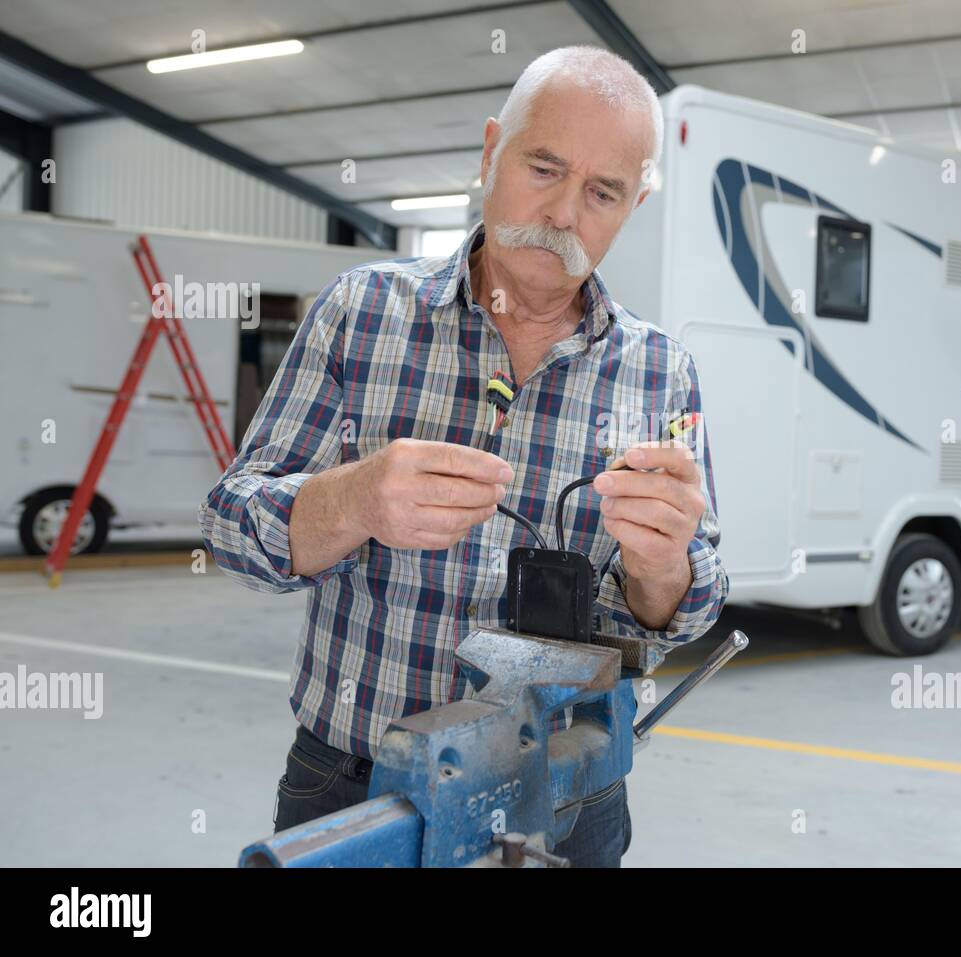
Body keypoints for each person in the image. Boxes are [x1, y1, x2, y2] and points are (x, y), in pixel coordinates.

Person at [199, 45, 728, 868]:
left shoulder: (663, 373)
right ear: (490, 152)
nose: (561, 213)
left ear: (637, 202)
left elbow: (685, 612)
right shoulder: (360, 313)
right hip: (357, 781)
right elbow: (231, 529)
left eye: (602, 192)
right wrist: (357, 500)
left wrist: (661, 570)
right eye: (543, 166)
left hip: (564, 790)